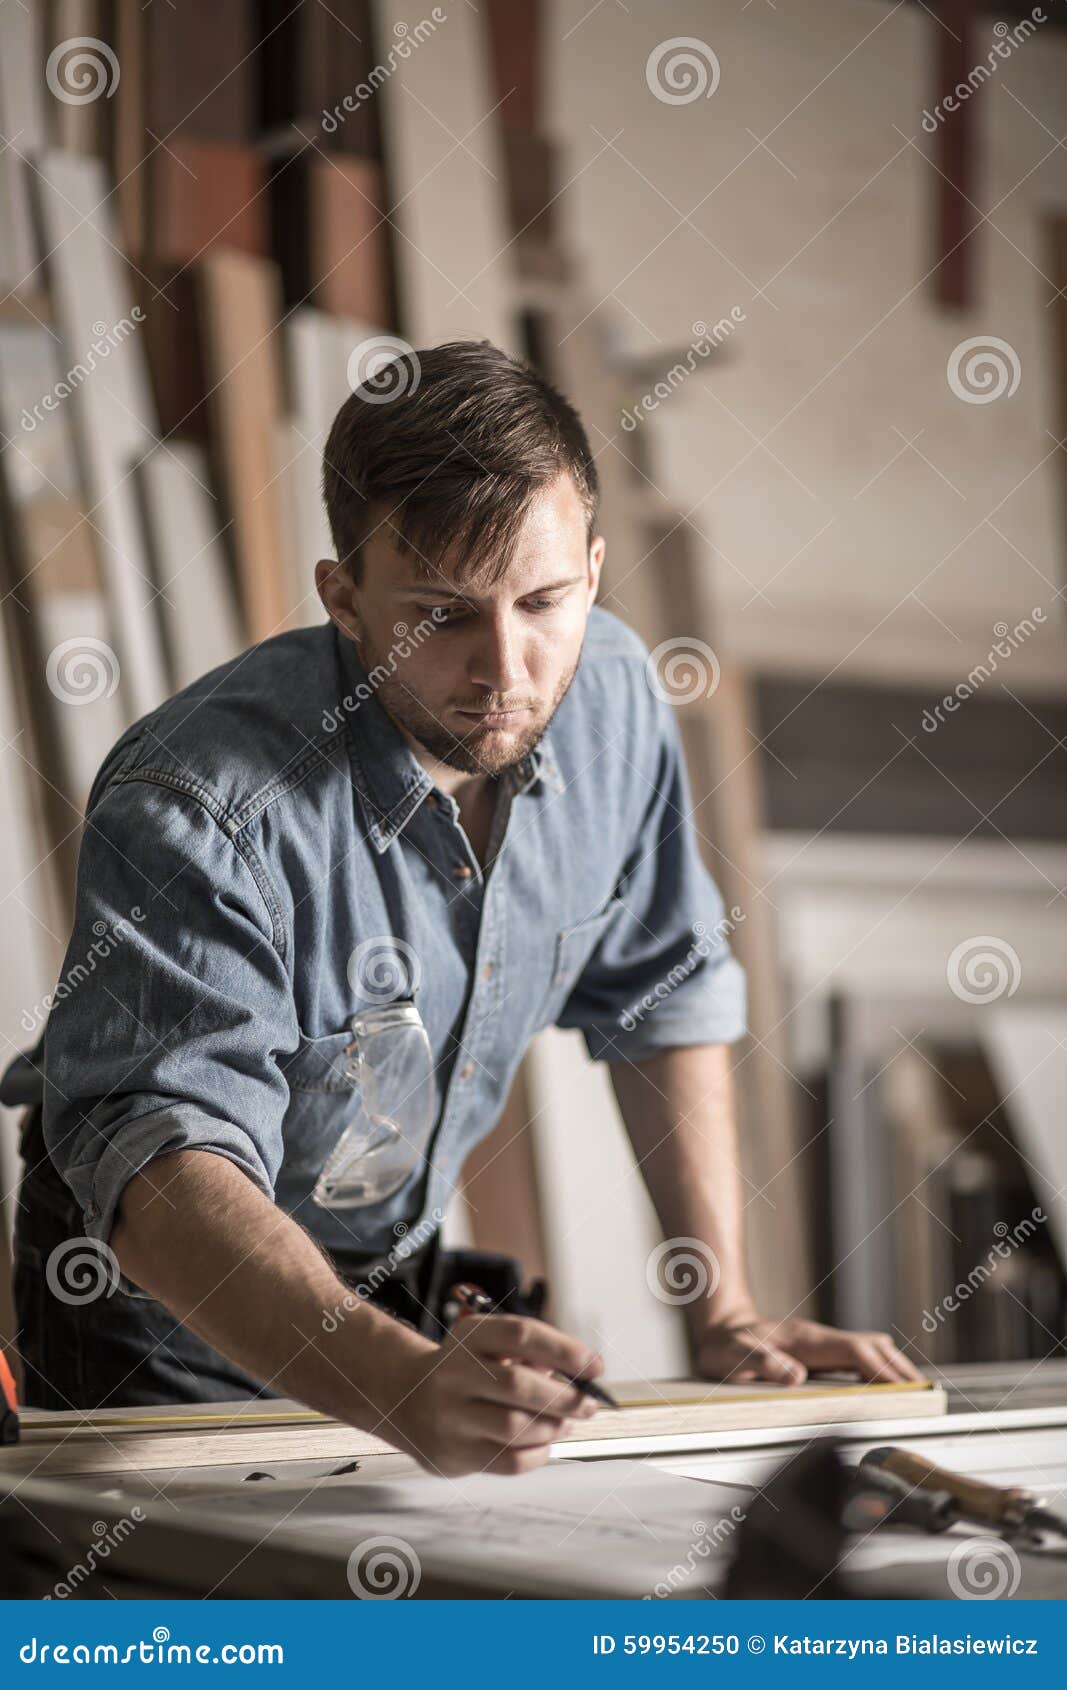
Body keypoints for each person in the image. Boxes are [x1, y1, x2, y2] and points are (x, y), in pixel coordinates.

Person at [2, 340, 918, 1477]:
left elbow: (661, 994)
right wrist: (394, 1383)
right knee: (213, 1626)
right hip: (165, 1294)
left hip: (385, 1255)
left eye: (543, 602)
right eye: (442, 614)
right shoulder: (200, 802)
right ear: (344, 596)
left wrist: (722, 1312)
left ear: (591, 567)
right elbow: (161, 1156)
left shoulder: (617, 700)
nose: (506, 671)